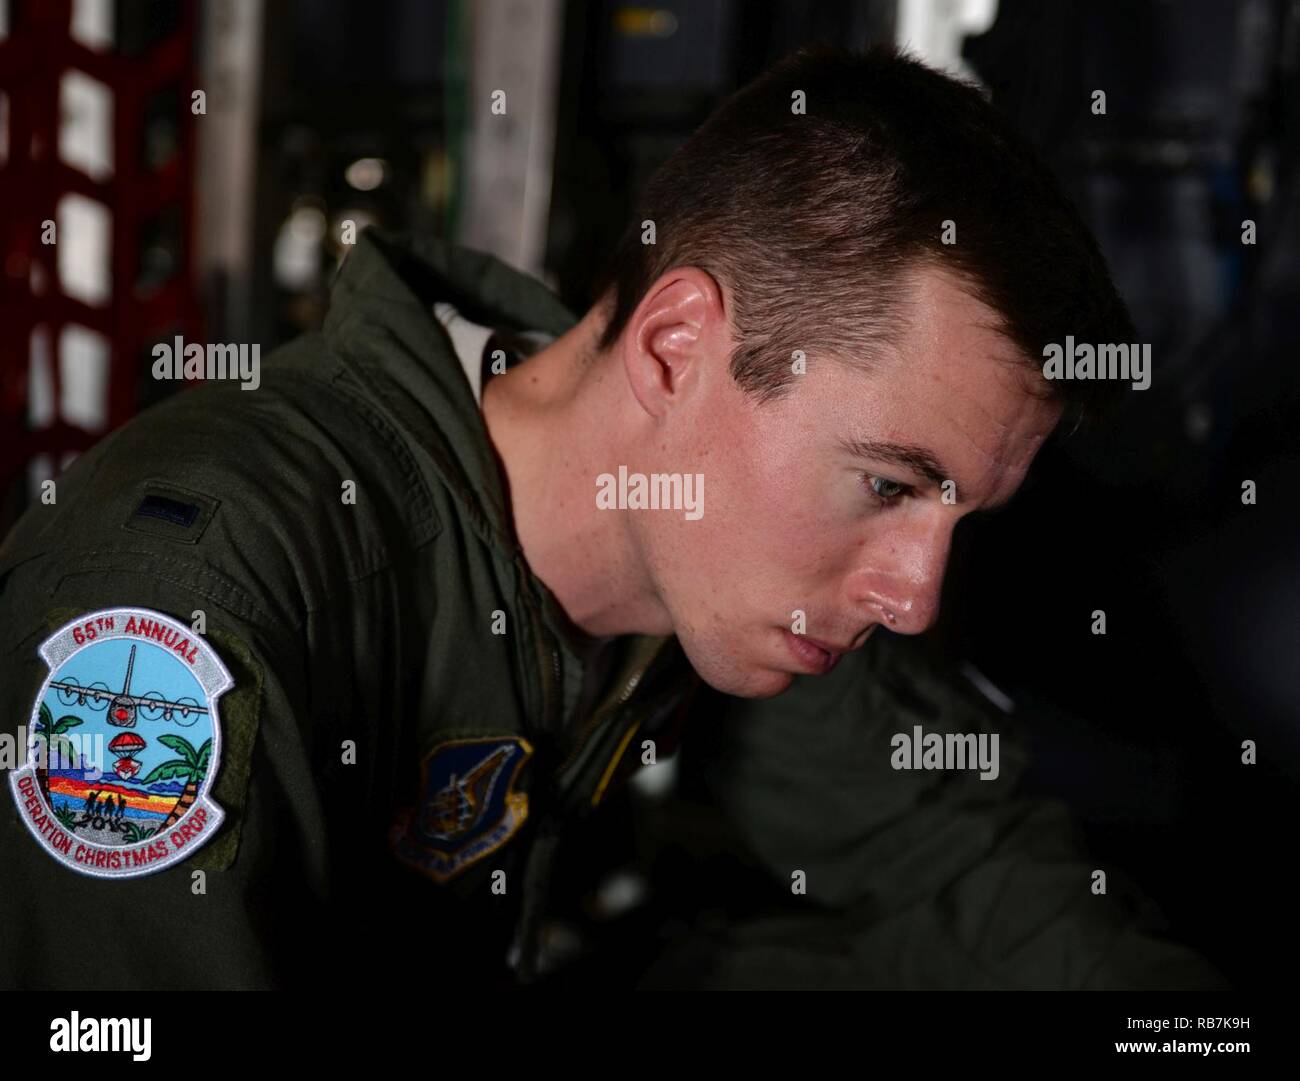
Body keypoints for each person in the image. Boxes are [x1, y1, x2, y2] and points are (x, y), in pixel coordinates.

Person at [0, 43, 1225, 989]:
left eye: (960, 514)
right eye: (889, 486)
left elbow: (951, 860)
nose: (911, 594)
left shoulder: (701, 552)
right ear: (677, 347)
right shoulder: (189, 597)